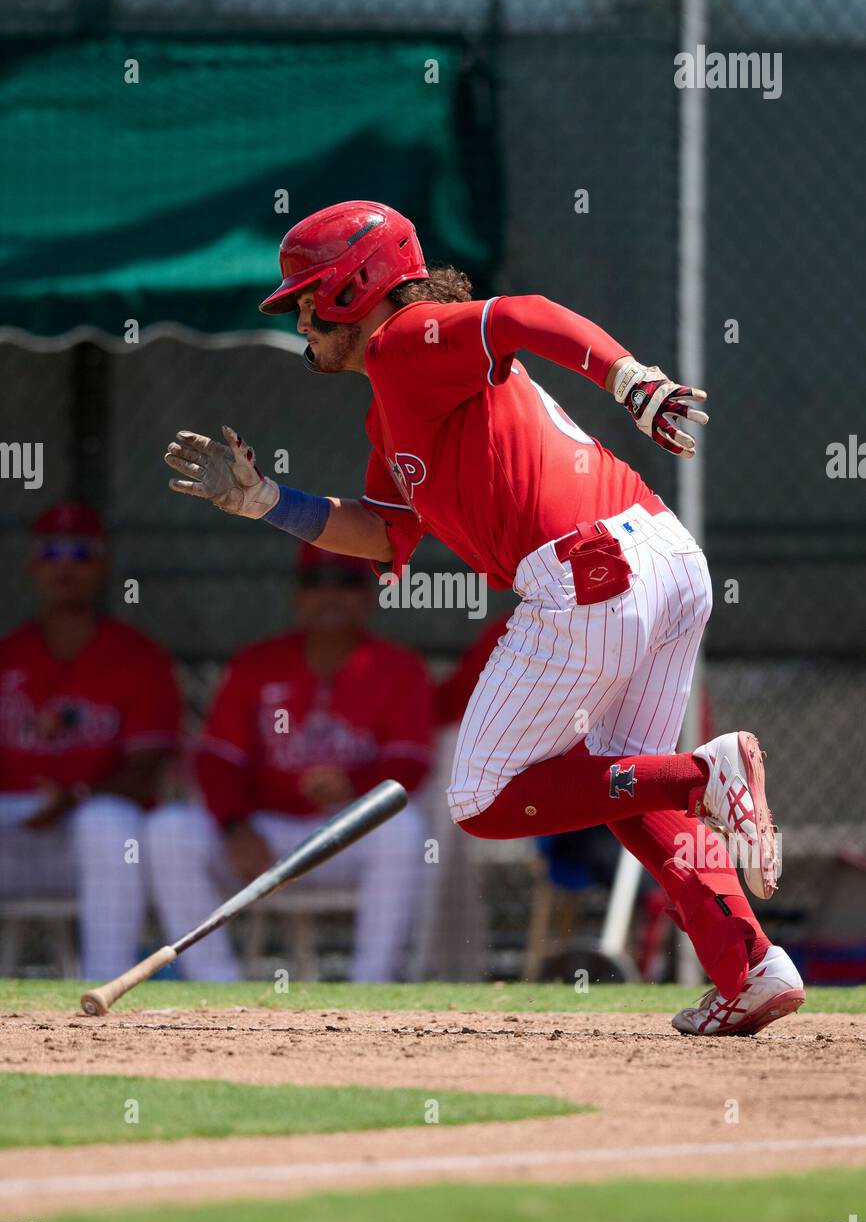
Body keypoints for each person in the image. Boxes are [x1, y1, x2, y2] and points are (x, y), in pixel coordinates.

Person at [163, 199, 805, 1035]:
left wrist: (629, 379)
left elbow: (523, 317)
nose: (300, 318)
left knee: (480, 798)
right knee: (617, 781)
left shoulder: (404, 340)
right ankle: (751, 967)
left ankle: (706, 772)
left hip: (587, 573)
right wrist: (265, 502)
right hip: (661, 560)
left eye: (310, 298)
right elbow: (386, 534)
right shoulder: (390, 399)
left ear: (361, 288)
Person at [146, 542, 434, 982]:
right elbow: (218, 761)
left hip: (349, 839)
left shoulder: (399, 668)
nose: (330, 596)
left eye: (346, 584)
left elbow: (411, 763)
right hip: (266, 836)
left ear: (368, 597)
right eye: (316, 583)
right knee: (168, 829)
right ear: (297, 596)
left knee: (403, 826)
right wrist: (235, 826)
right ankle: (215, 984)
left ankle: (371, 985)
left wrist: (355, 787)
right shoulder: (257, 664)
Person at [0, 503, 182, 980]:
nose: (65, 565)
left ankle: (106, 983)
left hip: (91, 833)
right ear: (33, 564)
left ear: (101, 566)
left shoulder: (138, 657)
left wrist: (76, 798)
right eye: (52, 552)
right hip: (12, 830)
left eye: (80, 553)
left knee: (108, 822)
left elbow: (148, 766)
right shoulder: (8, 655)